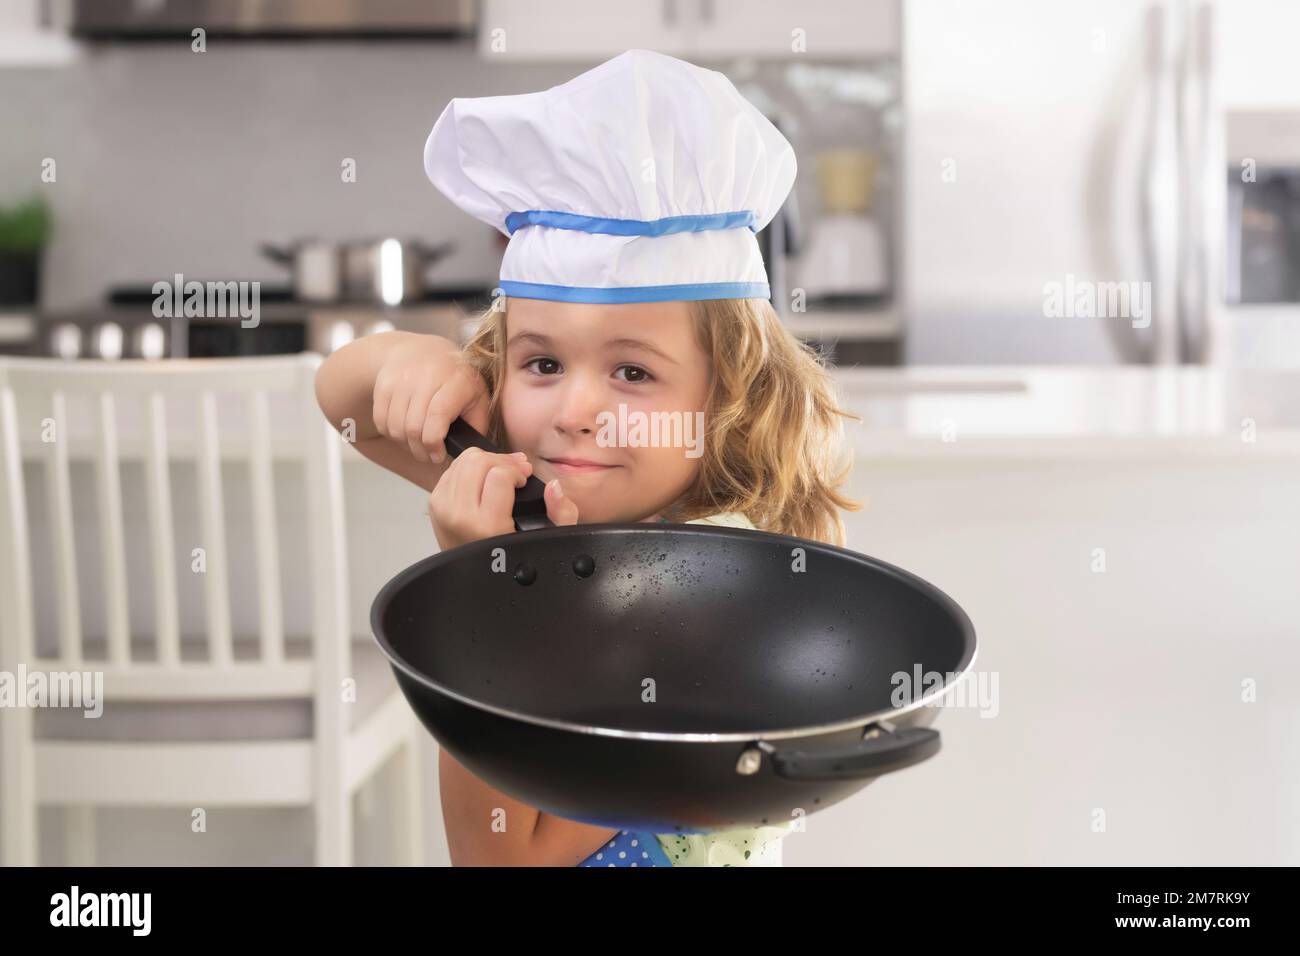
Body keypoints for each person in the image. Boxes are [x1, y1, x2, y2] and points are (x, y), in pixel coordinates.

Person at [315, 49, 861, 866]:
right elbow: (343, 401)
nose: (573, 413)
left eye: (632, 372)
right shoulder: (542, 489)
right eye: (541, 363)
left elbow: (502, 855)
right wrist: (409, 362)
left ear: (730, 398)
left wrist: (485, 588)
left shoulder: (710, 598)